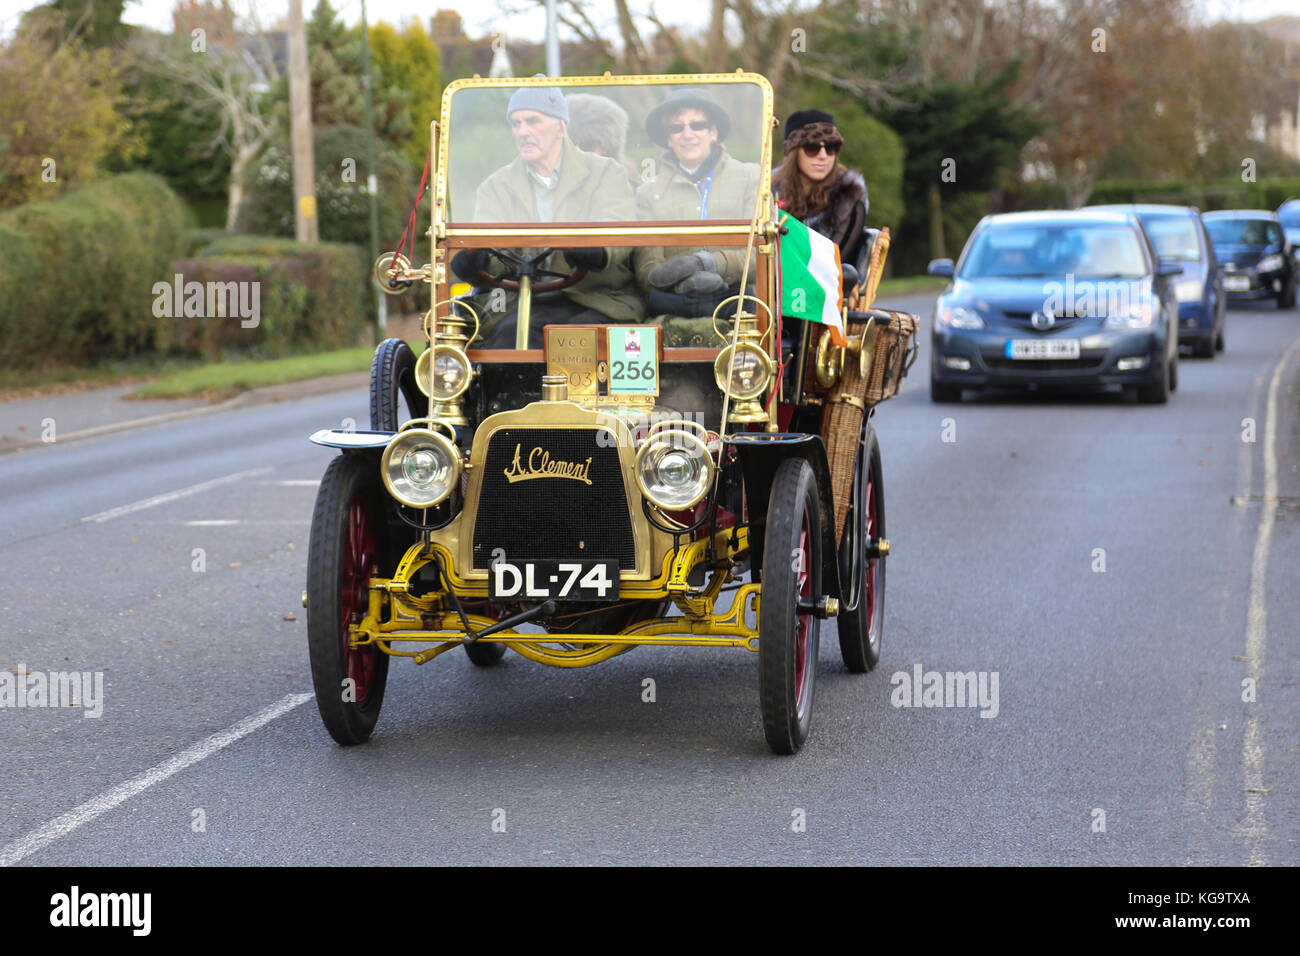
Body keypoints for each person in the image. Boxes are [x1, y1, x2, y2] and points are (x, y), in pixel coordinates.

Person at [456, 84, 643, 347]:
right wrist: (477, 261)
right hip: (523, 301)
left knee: (576, 341)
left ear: (561, 128)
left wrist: (597, 251)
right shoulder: (495, 186)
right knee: (506, 343)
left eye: (533, 121)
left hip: (598, 297)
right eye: (516, 123)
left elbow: (618, 228)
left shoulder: (606, 173)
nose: (523, 132)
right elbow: (494, 254)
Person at [633, 88, 762, 341]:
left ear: (713, 133)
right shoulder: (647, 193)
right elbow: (648, 272)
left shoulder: (751, 177)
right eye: (676, 128)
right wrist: (684, 283)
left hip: (737, 308)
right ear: (668, 138)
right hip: (674, 309)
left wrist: (708, 264)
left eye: (697, 125)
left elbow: (763, 255)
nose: (687, 134)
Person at [772, 109, 870, 271]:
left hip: (820, 290)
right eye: (812, 147)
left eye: (831, 147)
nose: (823, 155)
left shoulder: (849, 196)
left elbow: (832, 265)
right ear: (793, 152)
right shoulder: (769, 192)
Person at [566, 93, 641, 190]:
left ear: (607, 150)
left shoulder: (629, 193)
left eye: (586, 145)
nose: (576, 151)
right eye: (569, 144)